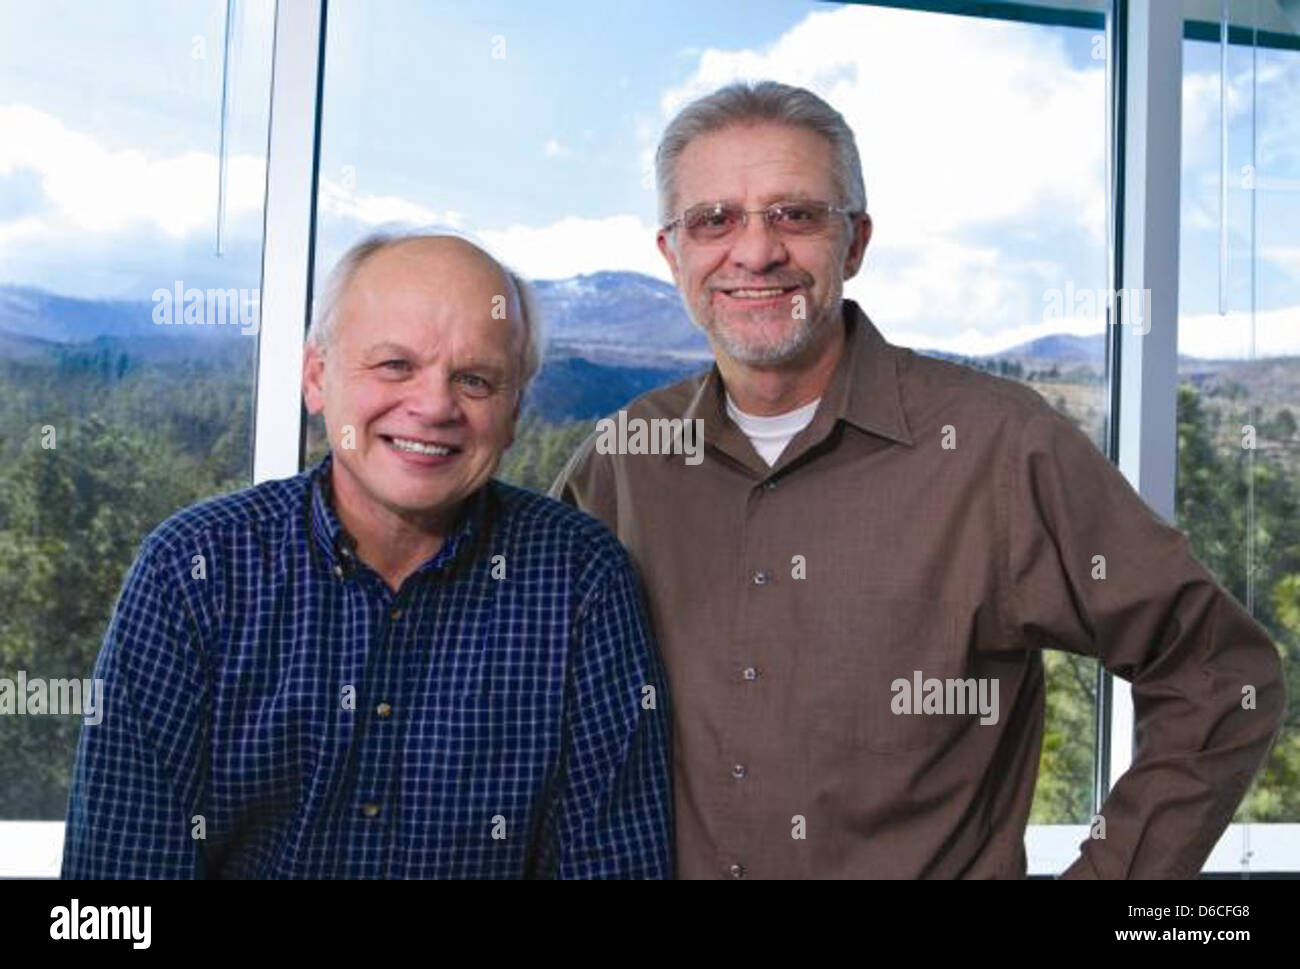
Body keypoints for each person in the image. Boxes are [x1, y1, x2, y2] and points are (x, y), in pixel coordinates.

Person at [552, 80, 1285, 879]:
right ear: (673, 254)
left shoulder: (998, 447)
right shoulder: (623, 460)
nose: (755, 251)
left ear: (856, 242)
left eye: (795, 214)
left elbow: (1219, 672)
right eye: (714, 219)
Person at [62, 231, 673, 878]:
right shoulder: (192, 572)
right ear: (317, 376)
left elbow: (613, 866)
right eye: (394, 365)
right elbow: (117, 890)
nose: (434, 406)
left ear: (514, 410)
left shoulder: (582, 583)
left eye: (475, 379)